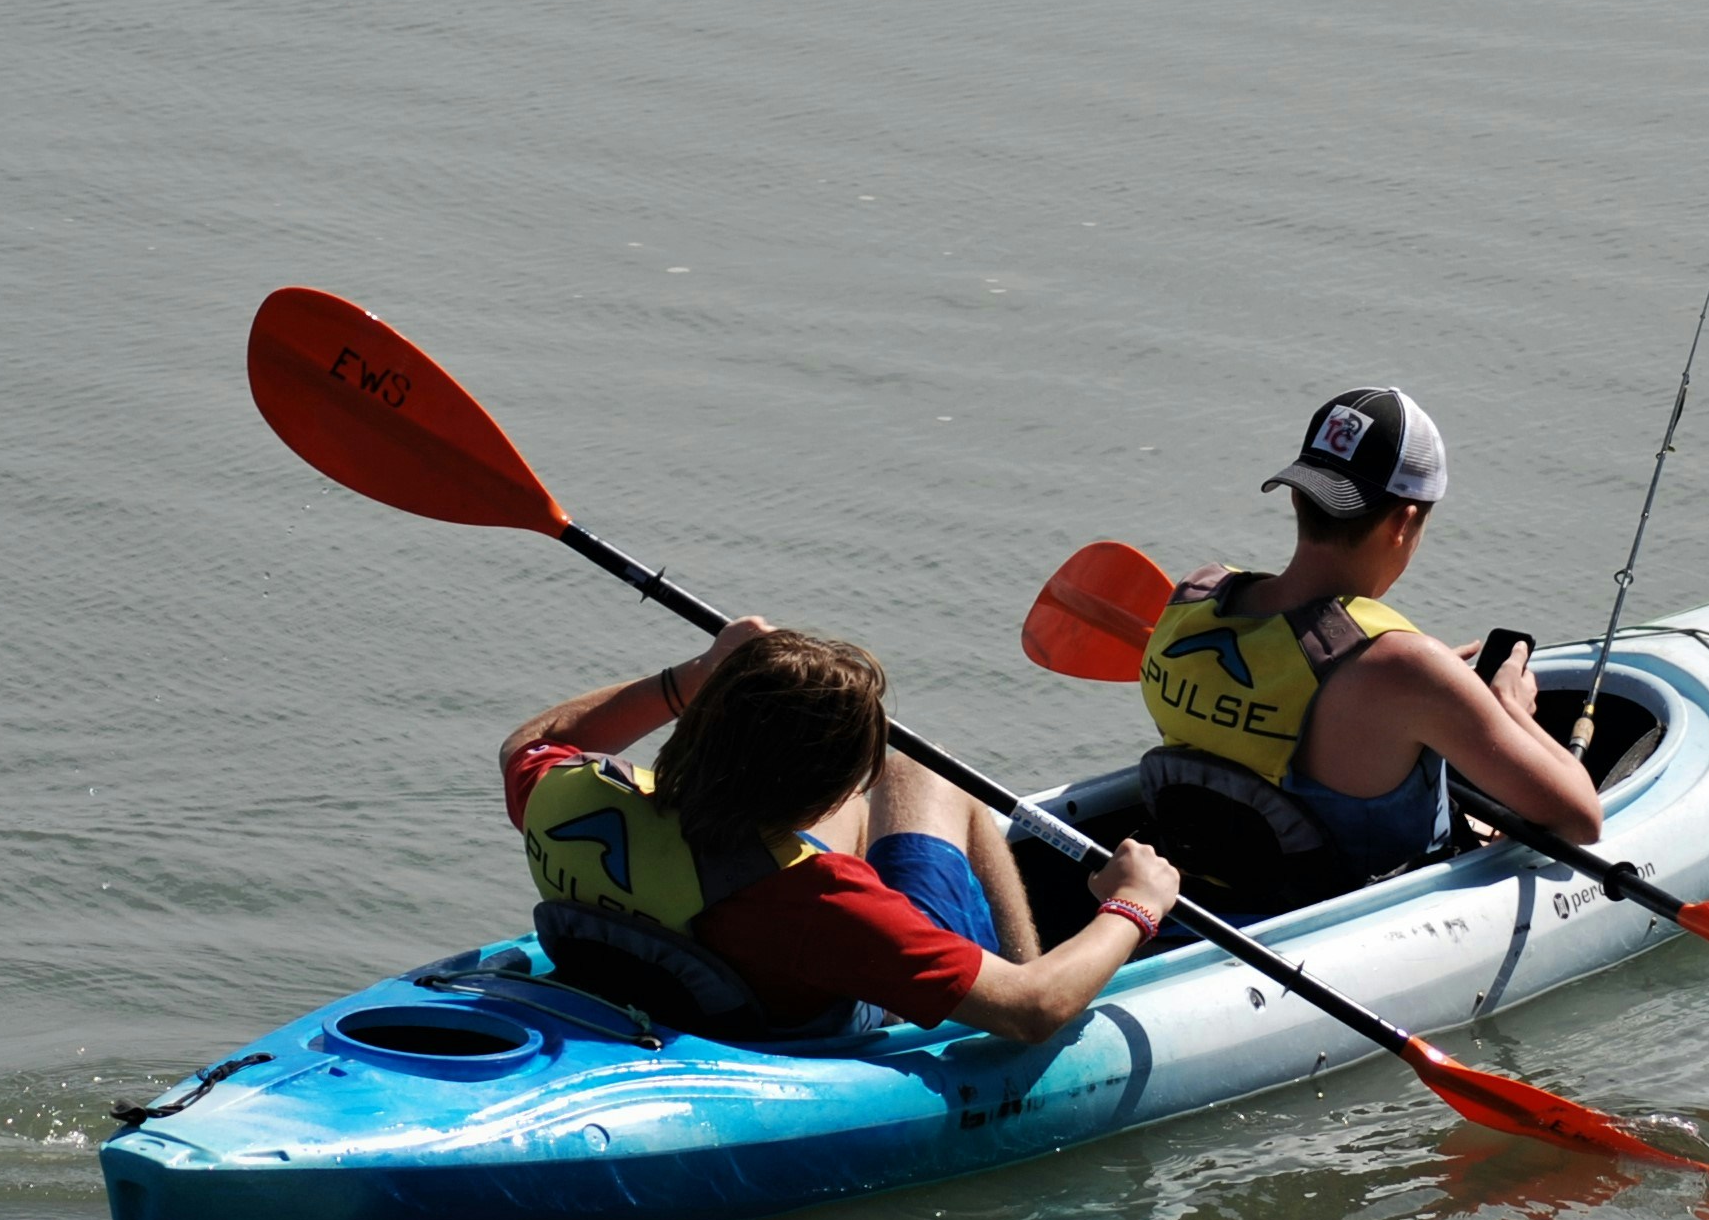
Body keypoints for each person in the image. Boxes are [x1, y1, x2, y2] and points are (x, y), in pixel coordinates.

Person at [498, 618, 1182, 1042]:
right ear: (826, 788)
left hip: (687, 939)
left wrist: (698, 672)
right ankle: (1023, 954)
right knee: (926, 774)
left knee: (896, 782)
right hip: (798, 987)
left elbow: (533, 739)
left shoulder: (568, 795)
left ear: (699, 720)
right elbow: (1035, 1011)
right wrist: (1134, 903)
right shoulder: (818, 900)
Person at [1133, 386, 1603, 913]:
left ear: (1296, 496)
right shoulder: (1408, 670)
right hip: (1335, 933)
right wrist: (1506, 708)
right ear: (1403, 523)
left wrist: (1404, 676)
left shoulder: (1191, 600)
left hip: (1195, 903)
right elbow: (1581, 819)